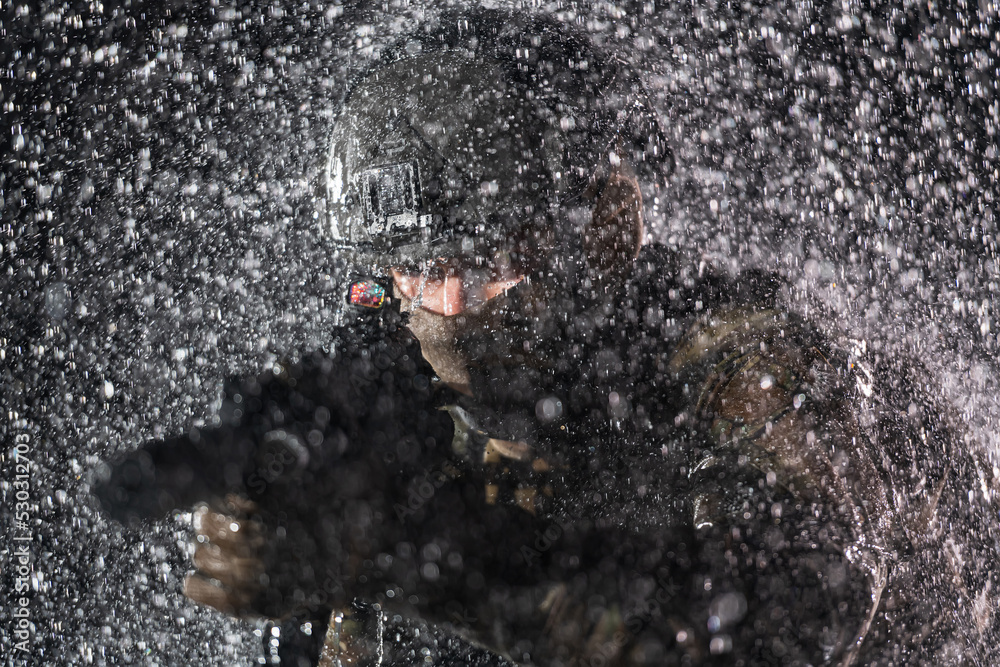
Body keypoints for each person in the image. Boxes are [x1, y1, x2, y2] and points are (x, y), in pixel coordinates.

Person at [94, 10, 1000, 666]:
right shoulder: (391, 379)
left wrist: (416, 554)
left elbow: (787, 624)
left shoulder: (747, 364)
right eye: (412, 270)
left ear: (605, 233)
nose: (447, 307)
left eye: (492, 259)